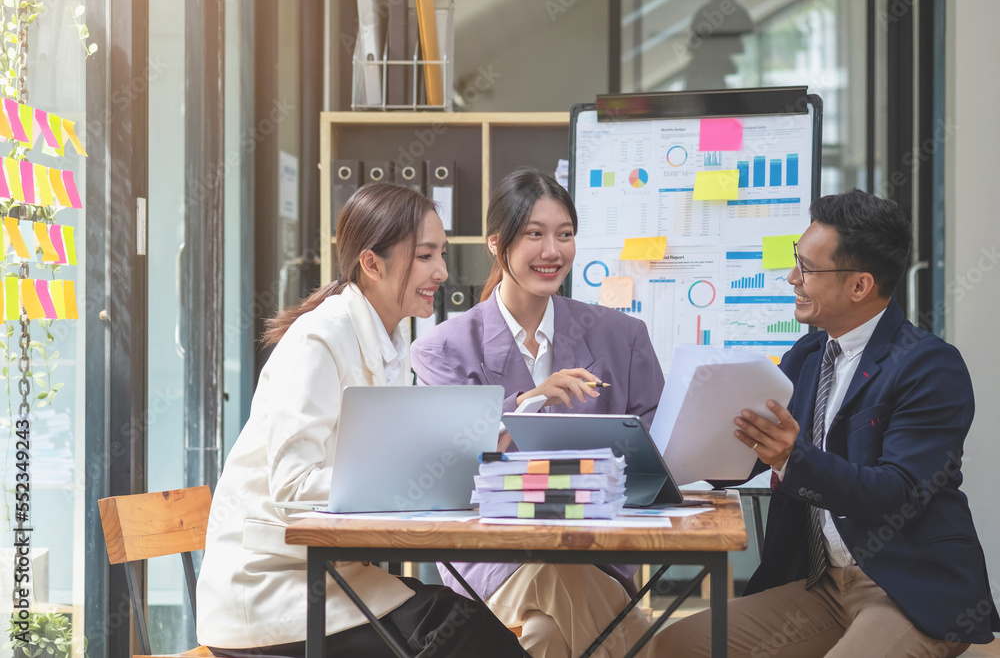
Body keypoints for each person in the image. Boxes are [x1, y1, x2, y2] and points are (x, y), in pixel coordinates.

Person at [659, 189, 1000, 657]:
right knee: (676, 646)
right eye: (795, 260)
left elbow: (896, 493)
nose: (791, 277)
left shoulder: (929, 367)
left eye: (807, 268)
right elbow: (748, 458)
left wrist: (791, 458)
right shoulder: (807, 355)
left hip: (903, 589)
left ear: (859, 285)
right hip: (819, 585)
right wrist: (678, 450)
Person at [196, 183, 524, 658]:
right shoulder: (319, 341)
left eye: (442, 254)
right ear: (372, 263)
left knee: (465, 625)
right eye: (426, 256)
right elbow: (292, 484)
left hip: (331, 576)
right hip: (269, 593)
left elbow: (389, 455)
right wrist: (414, 476)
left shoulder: (387, 338)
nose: (442, 272)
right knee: (463, 633)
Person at [410, 168, 666, 658]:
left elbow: (657, 455)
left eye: (565, 235)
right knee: (557, 573)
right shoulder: (444, 348)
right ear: (495, 243)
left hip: (599, 557)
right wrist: (531, 401)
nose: (553, 251)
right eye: (535, 234)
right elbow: (450, 462)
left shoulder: (621, 336)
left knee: (546, 636)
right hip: (492, 562)